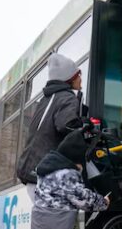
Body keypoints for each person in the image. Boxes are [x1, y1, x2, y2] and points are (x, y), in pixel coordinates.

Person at [17, 53, 85, 198]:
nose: (80, 79)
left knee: (48, 219)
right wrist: (84, 124)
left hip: (32, 171)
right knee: (57, 218)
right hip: (44, 173)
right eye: (78, 75)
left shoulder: (48, 99)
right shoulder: (66, 97)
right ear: (70, 79)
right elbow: (67, 126)